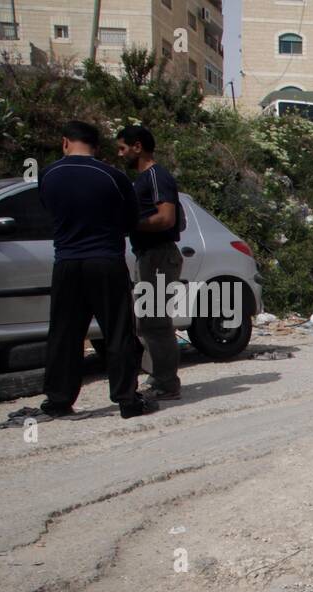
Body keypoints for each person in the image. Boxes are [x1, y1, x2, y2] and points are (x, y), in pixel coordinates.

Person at [38, 120, 157, 419]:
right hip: (105, 261)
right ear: (96, 146)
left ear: (65, 142)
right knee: (117, 332)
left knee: (64, 333)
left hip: (66, 261)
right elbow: (131, 220)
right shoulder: (113, 176)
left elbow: (48, 211)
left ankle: (58, 400)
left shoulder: (48, 175)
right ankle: (127, 400)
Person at [117, 124, 185, 401]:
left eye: (123, 148)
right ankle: (160, 378)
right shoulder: (142, 179)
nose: (120, 154)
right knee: (148, 321)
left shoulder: (157, 176)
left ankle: (166, 383)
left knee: (155, 322)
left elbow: (166, 218)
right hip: (148, 255)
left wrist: (129, 223)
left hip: (158, 254)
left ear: (137, 146)